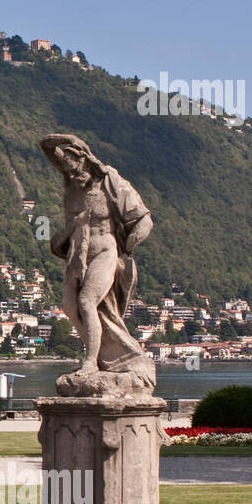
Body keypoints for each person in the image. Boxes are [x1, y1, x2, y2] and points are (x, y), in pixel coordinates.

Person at [40, 134, 156, 396]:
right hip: (77, 255)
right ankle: (105, 357)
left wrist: (126, 251)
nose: (70, 174)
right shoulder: (71, 182)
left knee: (87, 301)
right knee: (70, 307)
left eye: (74, 168)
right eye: (66, 169)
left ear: (85, 161)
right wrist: (67, 139)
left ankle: (91, 362)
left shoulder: (110, 182)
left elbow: (144, 221)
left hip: (106, 250)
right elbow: (46, 145)